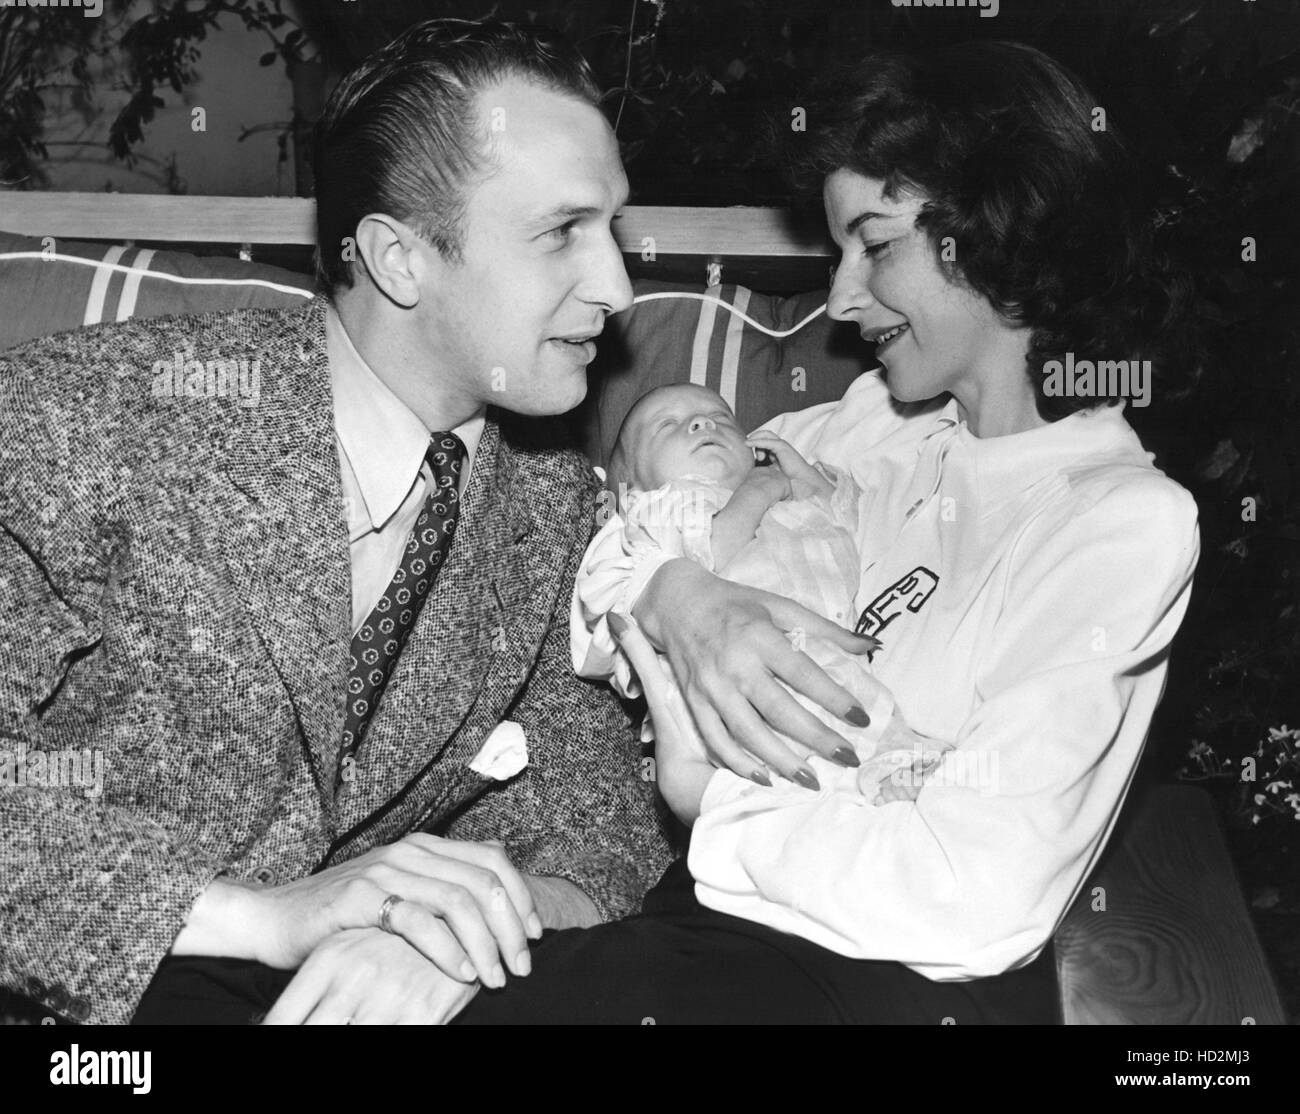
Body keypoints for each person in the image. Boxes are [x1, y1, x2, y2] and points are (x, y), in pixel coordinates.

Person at [457, 39, 1200, 1025]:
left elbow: (972, 897)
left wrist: (709, 802)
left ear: (998, 228)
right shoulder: (865, 424)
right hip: (708, 928)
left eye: (875, 243)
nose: (841, 300)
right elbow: (628, 528)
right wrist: (680, 596)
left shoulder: (1120, 524)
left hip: (895, 980)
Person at [0, 18, 671, 1026]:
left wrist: (464, 928)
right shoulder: (83, 426)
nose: (617, 286)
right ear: (400, 261)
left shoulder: (548, 496)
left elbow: (604, 817)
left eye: (612, 227)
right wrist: (260, 919)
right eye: (560, 232)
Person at [575, 381, 949, 813]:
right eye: (669, 425)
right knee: (798, 741)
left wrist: (804, 478)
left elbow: (858, 532)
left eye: (720, 418)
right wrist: (760, 489)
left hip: (828, 658)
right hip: (731, 678)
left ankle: (883, 782)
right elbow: (705, 558)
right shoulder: (659, 511)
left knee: (866, 717)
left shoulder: (788, 506)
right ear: (632, 484)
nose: (702, 422)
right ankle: (853, 794)